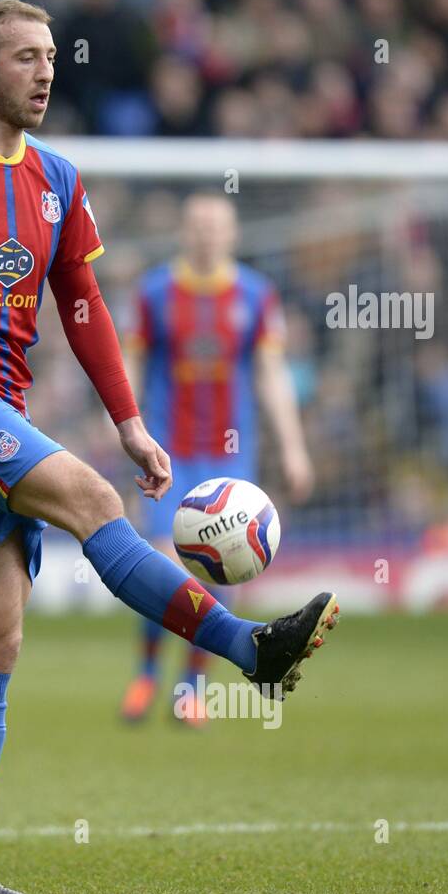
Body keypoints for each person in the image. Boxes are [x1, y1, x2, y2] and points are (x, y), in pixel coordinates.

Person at [0, 0, 339, 894]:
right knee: (95, 500)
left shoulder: (57, 177)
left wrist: (131, 418)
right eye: (25, 58)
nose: (46, 72)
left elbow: (83, 304)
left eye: (51, 57)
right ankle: (250, 651)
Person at [120, 193, 315, 726]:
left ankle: (191, 688)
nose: (207, 234)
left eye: (216, 226)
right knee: (162, 563)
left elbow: (271, 374)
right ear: (185, 231)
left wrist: (294, 447)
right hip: (168, 451)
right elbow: (133, 359)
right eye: (198, 225)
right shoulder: (155, 292)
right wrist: (124, 422)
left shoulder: (255, 295)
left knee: (216, 572)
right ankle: (145, 674)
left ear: (232, 234)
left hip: (231, 458)